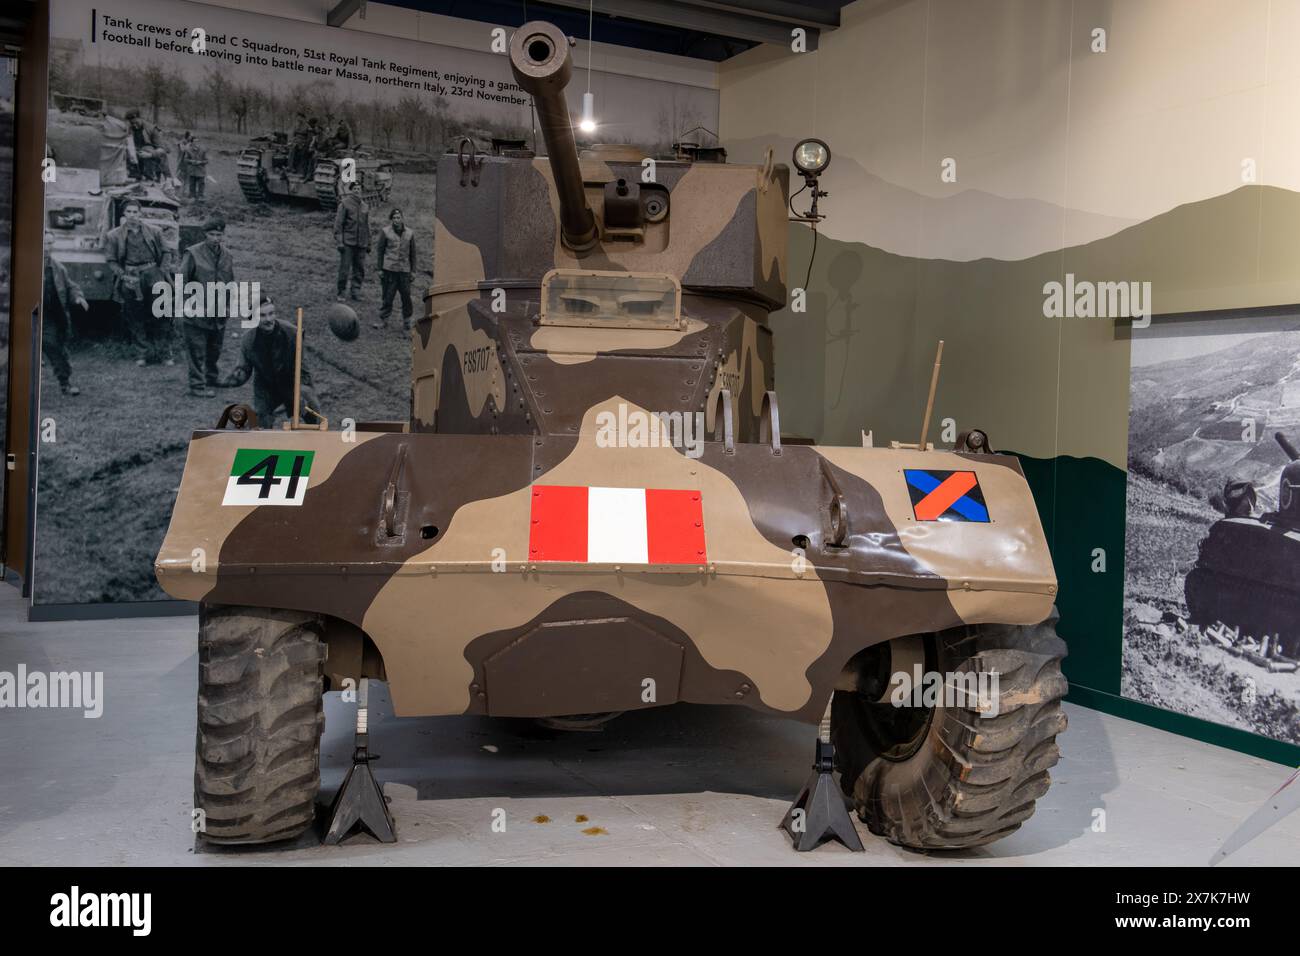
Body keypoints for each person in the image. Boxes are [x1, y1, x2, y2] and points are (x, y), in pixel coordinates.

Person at [216, 294, 321, 429]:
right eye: (263, 316)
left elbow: (303, 371)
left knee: (313, 413)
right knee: (259, 424)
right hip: (265, 387)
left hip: (292, 381)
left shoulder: (292, 333)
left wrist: (301, 392)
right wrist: (232, 379)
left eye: (271, 314)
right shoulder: (248, 340)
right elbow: (243, 369)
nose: (269, 319)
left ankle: (315, 441)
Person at [105, 198, 169, 366]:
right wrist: (123, 275)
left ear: (140, 213)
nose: (132, 215)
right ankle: (142, 354)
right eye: (129, 212)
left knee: (160, 313)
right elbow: (111, 260)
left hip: (152, 272)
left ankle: (163, 353)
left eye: (135, 212)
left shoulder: (154, 231)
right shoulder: (114, 235)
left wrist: (160, 272)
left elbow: (166, 252)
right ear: (124, 214)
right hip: (131, 276)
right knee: (135, 315)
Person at [179, 212, 234, 398]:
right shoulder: (193, 253)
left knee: (215, 347)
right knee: (197, 349)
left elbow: (229, 282)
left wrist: (227, 305)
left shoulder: (227, 255)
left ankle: (212, 377)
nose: (216, 239)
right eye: (212, 235)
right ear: (205, 234)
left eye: (219, 235)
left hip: (218, 310)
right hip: (197, 309)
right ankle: (196, 385)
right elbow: (182, 281)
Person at [42, 231, 89, 395]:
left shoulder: (57, 268)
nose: (47, 248)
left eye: (50, 243)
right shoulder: (23, 263)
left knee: (56, 346)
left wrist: (78, 297)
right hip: (26, 316)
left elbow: (70, 286)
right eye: (43, 243)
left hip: (50, 316)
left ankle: (65, 383)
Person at [374, 207, 416, 331]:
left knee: (406, 296)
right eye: (394, 218)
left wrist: (413, 271)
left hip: (404, 271)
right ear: (391, 219)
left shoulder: (409, 233)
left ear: (402, 218)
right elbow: (380, 251)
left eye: (398, 218)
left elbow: (413, 254)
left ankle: (407, 321)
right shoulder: (385, 231)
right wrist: (380, 269)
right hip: (389, 270)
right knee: (388, 296)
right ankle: (384, 320)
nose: (396, 220)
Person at [334, 181, 370, 301]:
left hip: (361, 243)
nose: (357, 190)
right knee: (344, 269)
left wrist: (368, 242)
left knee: (359, 269)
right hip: (348, 242)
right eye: (354, 188)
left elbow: (366, 226)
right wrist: (339, 242)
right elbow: (339, 225)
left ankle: (356, 291)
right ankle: (341, 292)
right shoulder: (345, 204)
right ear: (351, 190)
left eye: (359, 188)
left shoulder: (365, 206)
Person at [124, 109, 168, 181]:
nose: (134, 125)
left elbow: (163, 150)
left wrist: (150, 155)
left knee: (147, 148)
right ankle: (135, 176)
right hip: (136, 159)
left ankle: (150, 178)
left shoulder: (152, 129)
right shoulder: (129, 129)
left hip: (153, 160)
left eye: (136, 122)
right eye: (132, 123)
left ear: (139, 118)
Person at [185, 135, 208, 201]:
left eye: (197, 142)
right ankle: (192, 196)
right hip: (192, 170)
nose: (196, 143)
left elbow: (207, 160)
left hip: (201, 170)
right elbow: (185, 159)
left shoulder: (203, 150)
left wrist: (200, 162)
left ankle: (200, 196)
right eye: (195, 142)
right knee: (192, 184)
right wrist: (192, 161)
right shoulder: (188, 150)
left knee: (201, 184)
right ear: (191, 143)